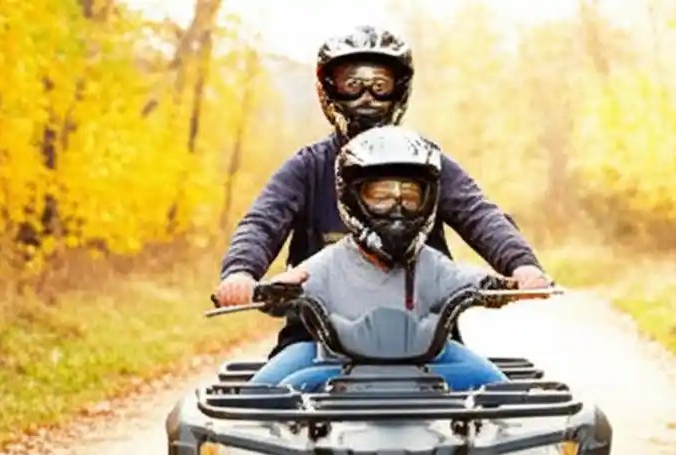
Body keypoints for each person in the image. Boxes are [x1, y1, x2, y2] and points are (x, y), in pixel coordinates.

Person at [213, 25, 551, 383]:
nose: (367, 97)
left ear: (399, 88)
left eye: (379, 84)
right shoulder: (308, 166)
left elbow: (478, 213)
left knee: (496, 401)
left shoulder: (425, 162)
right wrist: (241, 273)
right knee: (262, 402)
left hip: (424, 335)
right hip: (318, 337)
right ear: (330, 88)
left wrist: (521, 266)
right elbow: (262, 222)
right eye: (352, 83)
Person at [251, 125, 514, 393]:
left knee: (504, 392)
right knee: (259, 394)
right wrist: (275, 290)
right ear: (352, 197)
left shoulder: (430, 262)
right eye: (380, 196)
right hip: (332, 360)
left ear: (428, 199)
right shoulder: (328, 262)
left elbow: (463, 277)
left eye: (410, 196)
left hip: (433, 359)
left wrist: (497, 285)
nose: (396, 207)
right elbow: (288, 281)